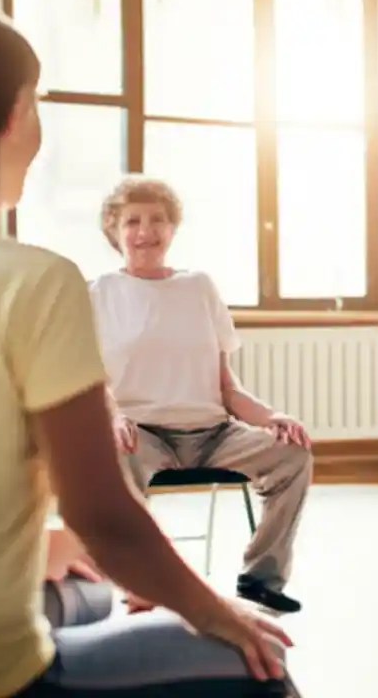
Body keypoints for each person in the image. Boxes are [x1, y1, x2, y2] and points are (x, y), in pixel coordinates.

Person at [0, 4, 295, 697]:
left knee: (90, 594)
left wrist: (35, 546)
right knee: (263, 665)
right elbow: (106, 519)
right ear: (16, 115)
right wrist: (216, 609)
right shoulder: (37, 280)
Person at [89, 175, 313, 614]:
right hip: (143, 434)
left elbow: (227, 386)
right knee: (114, 454)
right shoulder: (99, 293)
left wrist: (270, 417)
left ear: (173, 228)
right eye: (132, 220)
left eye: (158, 220)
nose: (145, 231)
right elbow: (94, 382)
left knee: (293, 453)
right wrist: (112, 419)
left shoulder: (199, 287)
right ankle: (141, 579)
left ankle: (261, 577)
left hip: (214, 433)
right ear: (113, 230)